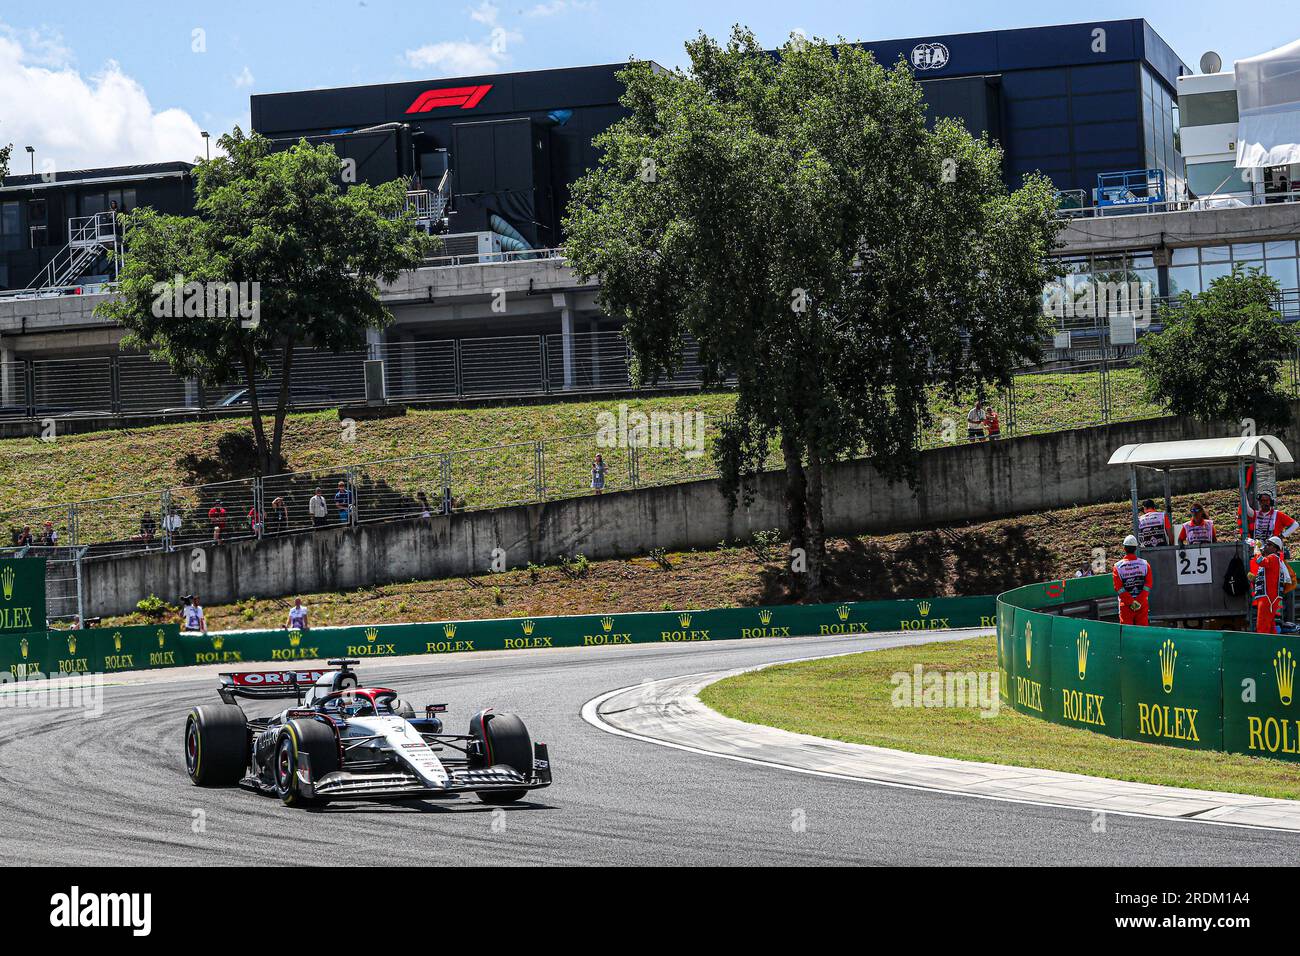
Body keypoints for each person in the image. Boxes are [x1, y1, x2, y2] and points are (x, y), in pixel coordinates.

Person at [1113, 534, 1153, 625]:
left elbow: (1118, 588)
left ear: (1124, 548)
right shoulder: (1145, 564)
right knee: (1142, 633)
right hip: (1141, 604)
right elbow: (1148, 585)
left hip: (1126, 605)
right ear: (1135, 548)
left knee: (1127, 634)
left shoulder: (1117, 567)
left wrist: (1131, 602)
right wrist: (1138, 601)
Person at [1252, 536, 1286, 634]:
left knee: (1262, 626)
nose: (1266, 546)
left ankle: (1263, 648)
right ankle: (1274, 647)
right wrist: (1254, 579)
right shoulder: (1273, 560)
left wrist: (1256, 549)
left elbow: (1260, 561)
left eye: (1269, 544)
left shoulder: (1273, 558)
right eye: (1266, 544)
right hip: (1269, 597)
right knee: (1270, 626)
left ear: (1275, 548)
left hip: (1268, 598)